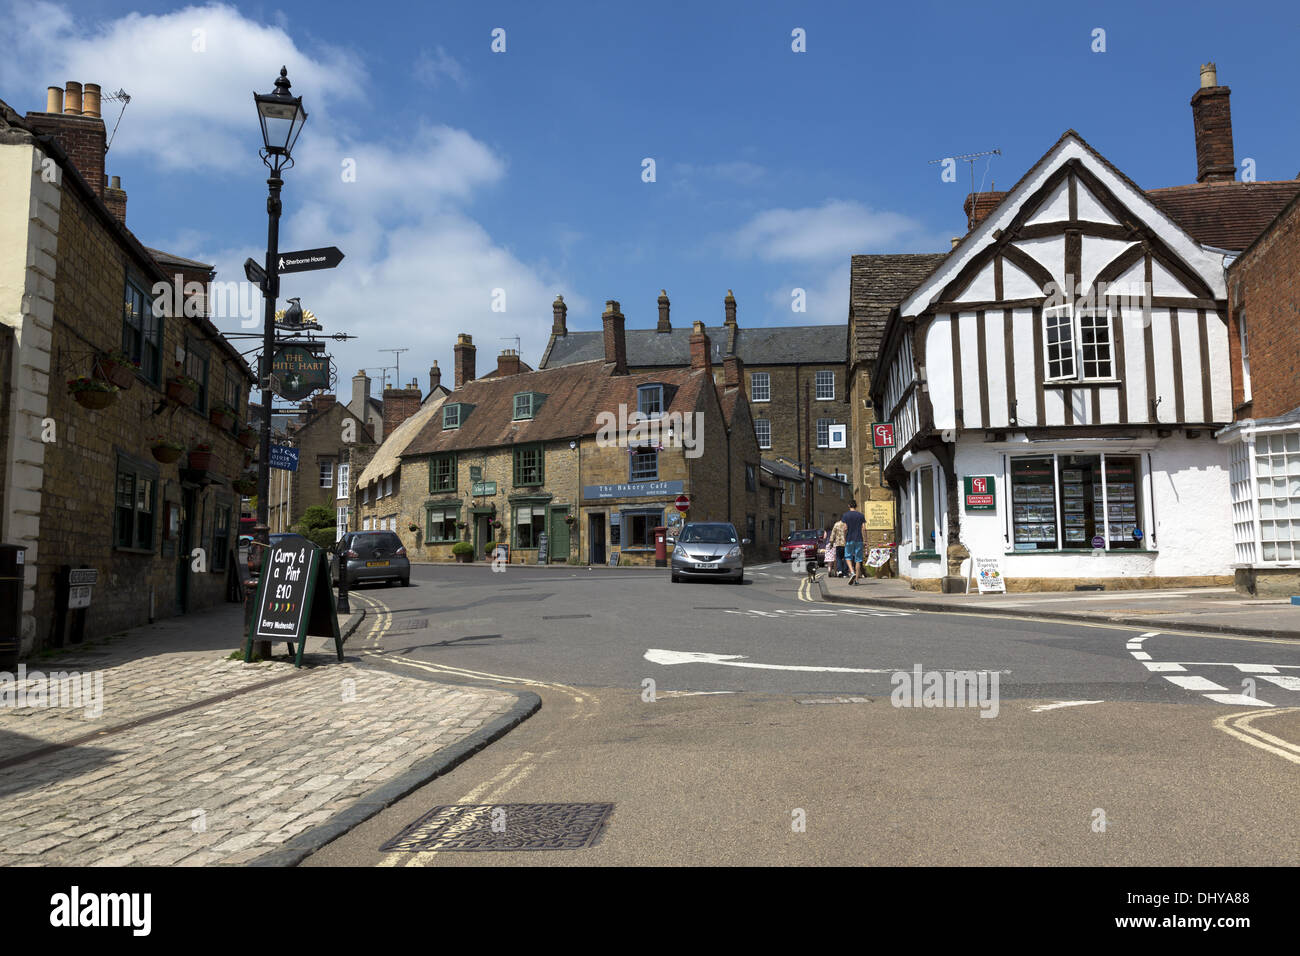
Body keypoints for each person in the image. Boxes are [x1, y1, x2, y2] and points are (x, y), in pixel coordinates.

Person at [840, 501, 866, 584]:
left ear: (848, 505)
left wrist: (844, 538)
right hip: (859, 539)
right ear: (856, 506)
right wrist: (865, 540)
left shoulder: (845, 515)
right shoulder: (861, 515)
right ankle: (857, 580)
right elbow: (864, 529)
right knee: (858, 560)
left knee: (848, 557)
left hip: (849, 539)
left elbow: (845, 528)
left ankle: (852, 572)